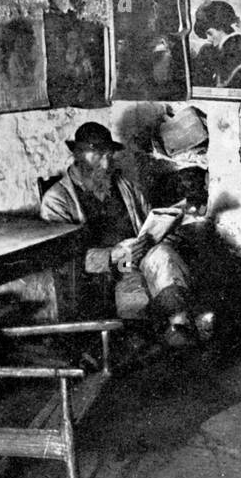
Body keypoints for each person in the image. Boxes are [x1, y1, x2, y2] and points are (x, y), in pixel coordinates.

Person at [40, 122, 206, 348]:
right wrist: (112, 255)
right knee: (136, 288)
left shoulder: (124, 185)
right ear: (78, 154)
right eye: (98, 155)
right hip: (106, 271)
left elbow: (148, 220)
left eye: (109, 155)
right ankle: (159, 338)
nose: (107, 163)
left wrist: (163, 232)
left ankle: (178, 327)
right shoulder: (57, 199)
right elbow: (63, 257)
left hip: (140, 256)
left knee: (165, 255)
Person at [189, 1, 241, 88]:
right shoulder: (210, 50)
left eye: (209, 33)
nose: (208, 39)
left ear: (221, 28)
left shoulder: (234, 54)